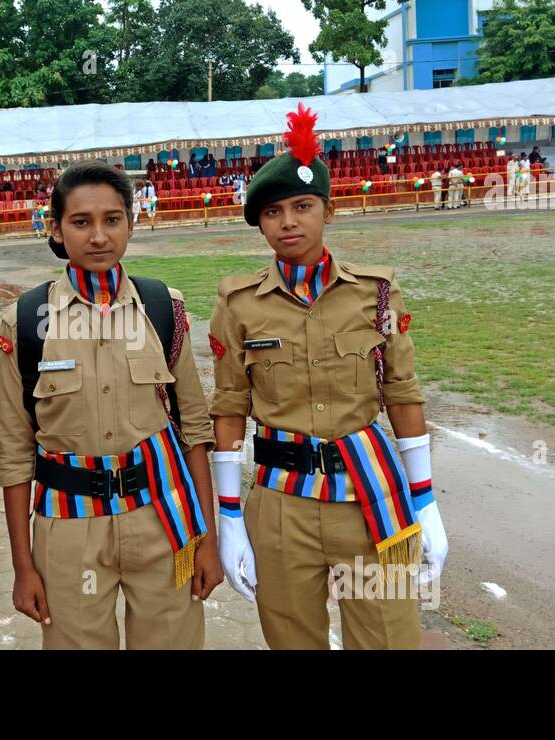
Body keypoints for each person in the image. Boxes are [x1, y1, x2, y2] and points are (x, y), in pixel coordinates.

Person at [209, 103, 448, 649]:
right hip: (280, 505)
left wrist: (427, 501)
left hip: (369, 498)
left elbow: (402, 396)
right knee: (293, 641)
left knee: (389, 639)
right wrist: (228, 518)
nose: (288, 221)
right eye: (272, 212)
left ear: (328, 211)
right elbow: (229, 408)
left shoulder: (376, 292)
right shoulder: (239, 303)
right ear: (260, 222)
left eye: (302, 206)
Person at [0, 160, 220, 649]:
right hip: (69, 529)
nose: (98, 236)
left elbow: (195, 431)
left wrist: (209, 538)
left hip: (164, 518)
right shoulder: (26, 322)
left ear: (132, 223)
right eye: (81, 222)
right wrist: (22, 566)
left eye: (112, 219)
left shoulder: (164, 309)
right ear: (55, 228)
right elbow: (14, 456)